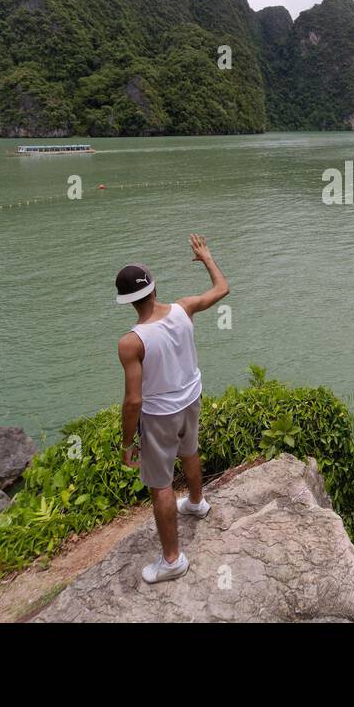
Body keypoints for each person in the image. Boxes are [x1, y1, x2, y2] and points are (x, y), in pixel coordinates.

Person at [115, 234, 229, 582]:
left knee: (160, 484)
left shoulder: (131, 342)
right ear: (153, 286)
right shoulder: (184, 308)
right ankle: (196, 502)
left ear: (125, 301)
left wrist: (127, 442)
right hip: (191, 396)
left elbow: (134, 401)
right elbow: (222, 289)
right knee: (189, 450)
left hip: (160, 413)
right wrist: (207, 258)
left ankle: (172, 560)